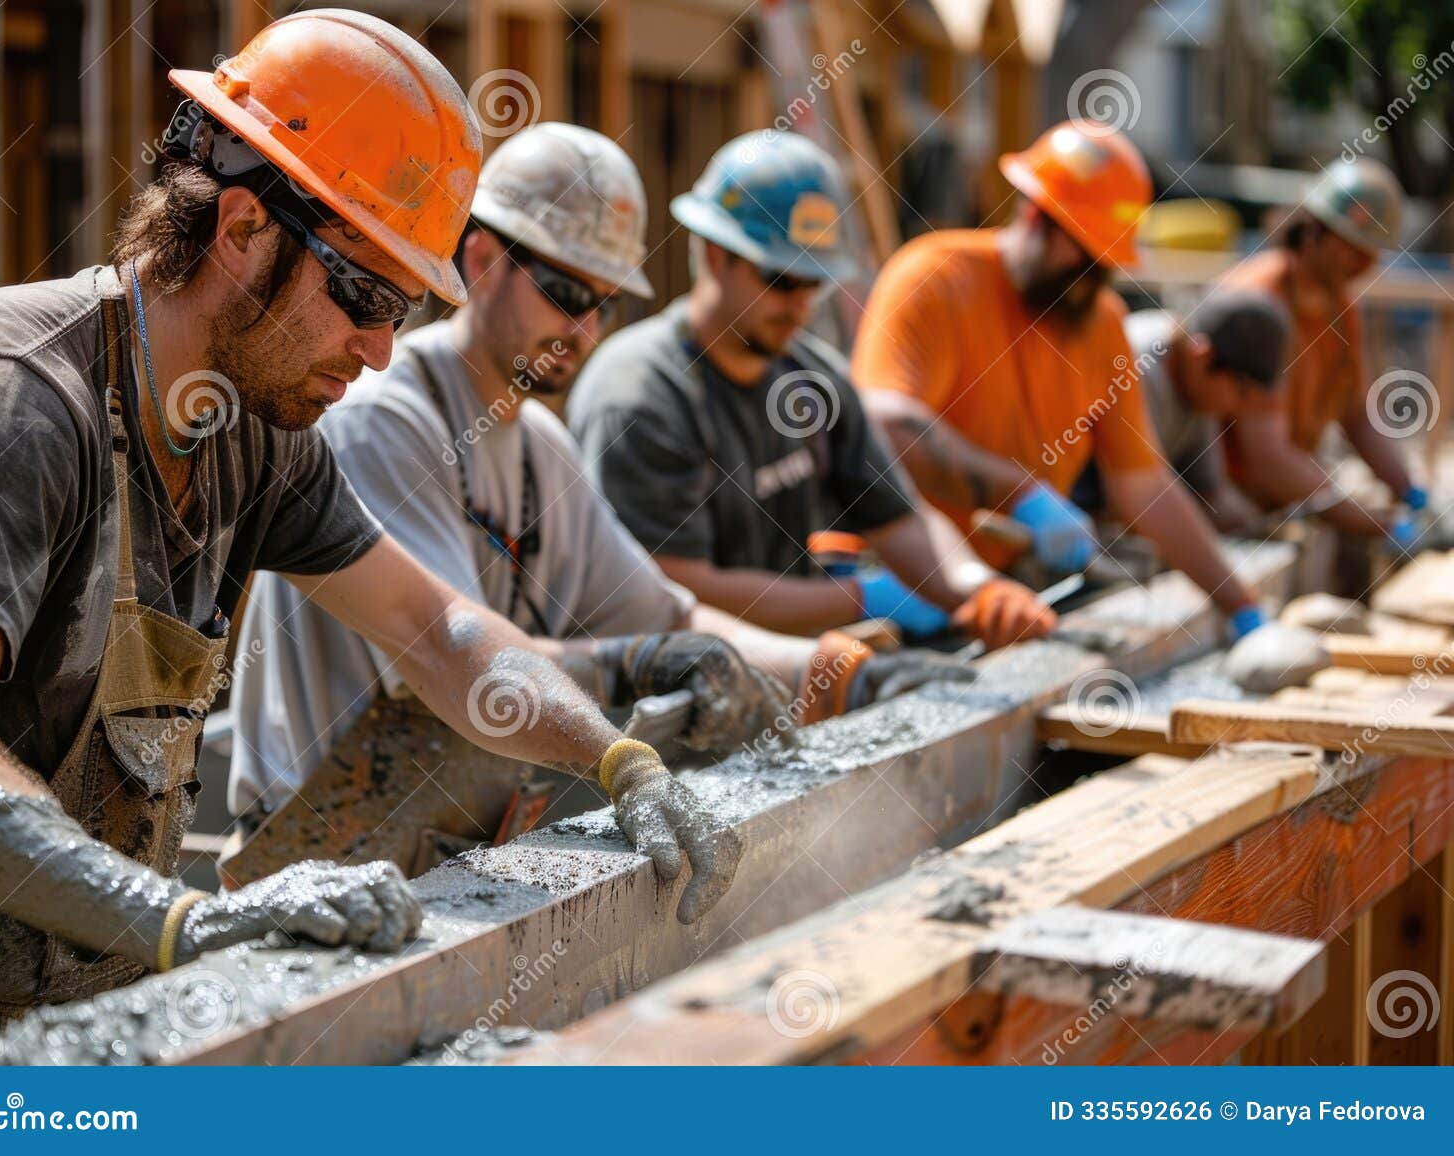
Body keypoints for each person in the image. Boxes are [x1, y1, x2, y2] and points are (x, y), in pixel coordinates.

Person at [0, 13, 734, 1056]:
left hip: (70, 1022)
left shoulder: (252, 426)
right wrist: (183, 919)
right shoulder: (14, 403)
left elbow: (435, 629)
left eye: (397, 313)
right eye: (360, 293)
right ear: (237, 230)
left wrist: (620, 759)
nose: (374, 352)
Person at [227, 123, 978, 883]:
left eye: (606, 305)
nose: (583, 330)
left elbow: (672, 620)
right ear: (483, 262)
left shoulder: (541, 445)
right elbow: (452, 659)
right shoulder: (384, 421)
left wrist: (840, 672)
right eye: (566, 294)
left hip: (443, 845)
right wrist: (640, 669)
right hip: (317, 859)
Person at [568, 131, 1054, 654]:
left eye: (815, 280)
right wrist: (860, 598)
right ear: (715, 256)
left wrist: (973, 588)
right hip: (666, 700)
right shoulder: (642, 396)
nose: (801, 305)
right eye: (780, 278)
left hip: (788, 675)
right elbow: (672, 592)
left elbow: (900, 517)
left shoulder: (814, 378)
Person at [850, 119, 1265, 636]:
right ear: (1035, 215)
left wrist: (1240, 605)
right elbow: (882, 428)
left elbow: (1143, 485)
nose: (1090, 279)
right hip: (890, 589)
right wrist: (1022, 494)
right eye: (1082, 255)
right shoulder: (935, 279)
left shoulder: (1101, 322)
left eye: (1104, 263)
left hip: (1002, 595)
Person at [1220, 157, 1422, 548]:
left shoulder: (1341, 311)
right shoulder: (1259, 304)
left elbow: (1355, 417)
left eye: (1371, 251)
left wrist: (1408, 491)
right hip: (1230, 507)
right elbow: (1267, 460)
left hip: (1288, 501)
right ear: (1313, 232)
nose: (1364, 262)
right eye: (1353, 247)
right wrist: (1368, 521)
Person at [1072, 289, 1292, 535]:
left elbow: (1211, 496)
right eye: (1242, 392)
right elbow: (1134, 503)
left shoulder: (1196, 388)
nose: (1241, 408)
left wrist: (1264, 528)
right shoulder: (1140, 370)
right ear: (1203, 357)